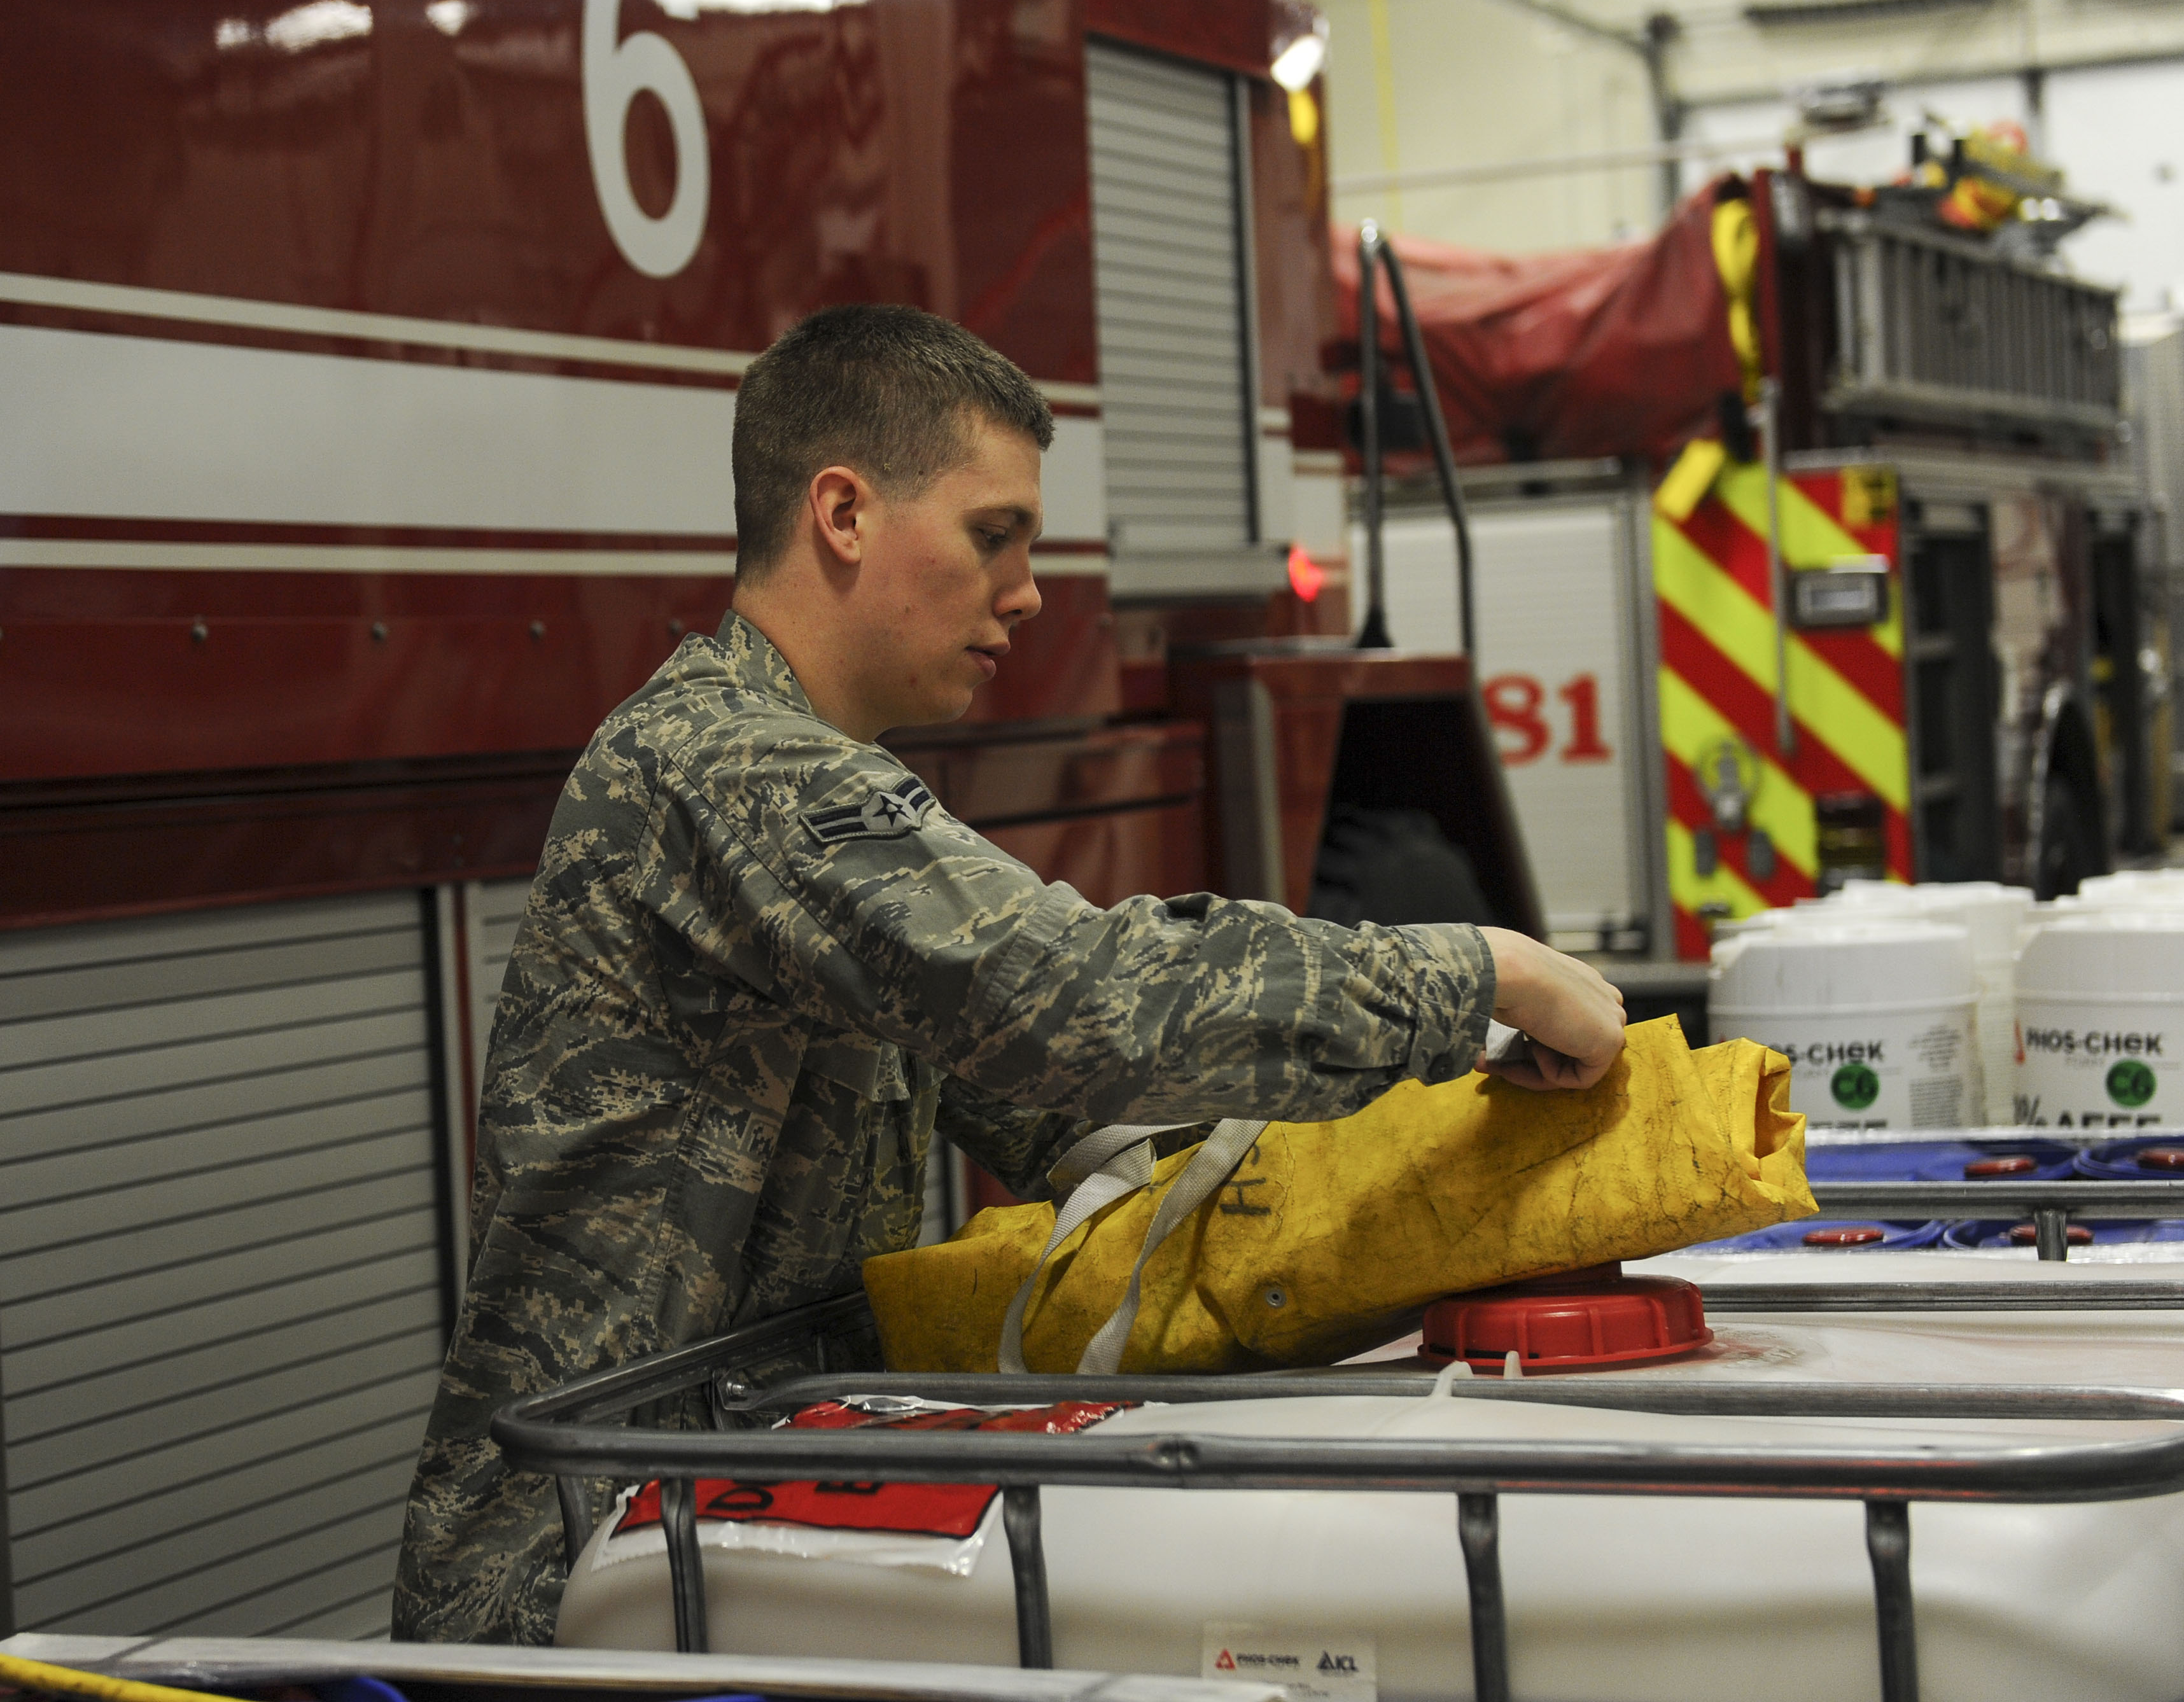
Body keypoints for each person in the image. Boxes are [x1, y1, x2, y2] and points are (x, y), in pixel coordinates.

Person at [391, 303, 1627, 1645]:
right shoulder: (726, 770)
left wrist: (1442, 1175)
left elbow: (1078, 1117)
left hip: (719, 1532)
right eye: (993, 536)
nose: (1029, 593)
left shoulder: (814, 788)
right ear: (844, 515)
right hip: (578, 1592)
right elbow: (1074, 1003)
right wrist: (1478, 973)